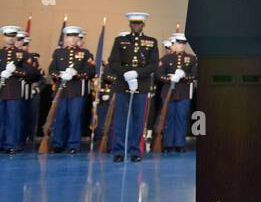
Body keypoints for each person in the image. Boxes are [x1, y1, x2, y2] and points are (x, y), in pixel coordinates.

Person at [106, 13, 159, 163]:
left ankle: (135, 151)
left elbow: (153, 64)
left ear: (143, 25)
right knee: (120, 119)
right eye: (134, 23)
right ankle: (119, 151)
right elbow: (113, 62)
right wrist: (127, 74)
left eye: (139, 23)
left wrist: (136, 73)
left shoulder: (151, 42)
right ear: (130, 25)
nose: (136, 26)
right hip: (122, 84)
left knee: (138, 119)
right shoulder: (120, 41)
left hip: (141, 84)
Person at [47, 26, 96, 154]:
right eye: (70, 36)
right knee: (60, 117)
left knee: (75, 118)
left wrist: (76, 74)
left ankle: (73, 144)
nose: (72, 39)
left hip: (76, 90)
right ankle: (58, 143)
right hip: (61, 91)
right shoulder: (58, 53)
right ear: (66, 38)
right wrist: (60, 75)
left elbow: (91, 71)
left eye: (75, 36)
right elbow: (51, 70)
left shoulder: (86, 53)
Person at [158, 33, 197, 152]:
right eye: (179, 43)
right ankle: (168, 144)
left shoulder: (191, 58)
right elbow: (159, 75)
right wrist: (169, 78)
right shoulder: (166, 58)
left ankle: (179, 144)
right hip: (168, 93)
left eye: (184, 44)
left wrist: (184, 75)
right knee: (168, 118)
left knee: (181, 118)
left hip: (183, 93)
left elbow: (194, 75)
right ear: (174, 44)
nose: (182, 46)